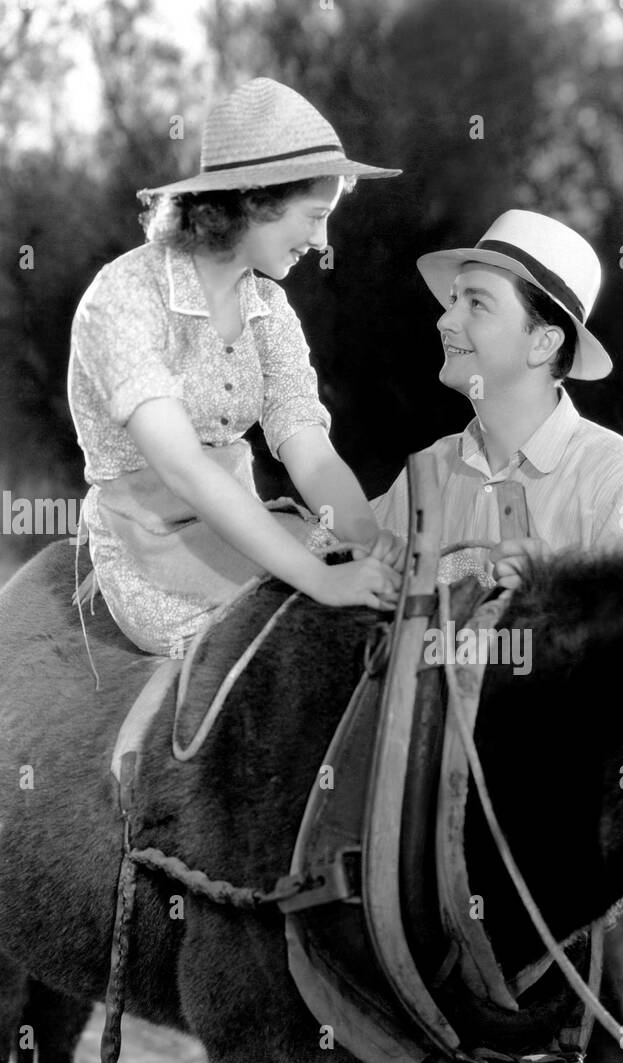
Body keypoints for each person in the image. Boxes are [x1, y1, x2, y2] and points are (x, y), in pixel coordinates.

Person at [373, 209, 623, 1063]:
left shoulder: (620, 486)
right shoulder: (417, 481)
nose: (447, 319)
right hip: (446, 877)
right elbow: (327, 589)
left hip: (593, 877)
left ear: (544, 341)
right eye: (452, 298)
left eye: (474, 301)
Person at [68, 77, 403, 657]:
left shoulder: (269, 308)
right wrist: (323, 577)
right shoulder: (122, 296)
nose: (323, 240)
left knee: (389, 601)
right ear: (254, 200)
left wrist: (367, 541)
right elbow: (185, 470)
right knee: (301, 629)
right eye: (314, 214)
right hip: (151, 548)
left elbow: (309, 448)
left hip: (247, 526)